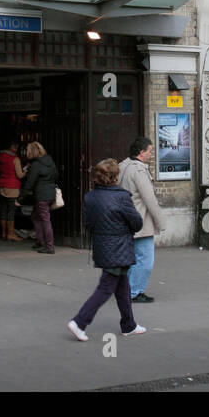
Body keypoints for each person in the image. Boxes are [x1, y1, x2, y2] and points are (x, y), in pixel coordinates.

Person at [68, 159, 146, 341]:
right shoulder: (122, 197)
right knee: (106, 288)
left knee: (122, 285)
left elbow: (88, 223)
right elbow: (137, 222)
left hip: (102, 247)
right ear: (115, 176)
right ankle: (79, 321)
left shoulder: (90, 197)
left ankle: (129, 324)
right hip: (119, 248)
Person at [118, 136, 165, 302]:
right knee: (145, 259)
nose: (151, 155)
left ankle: (127, 290)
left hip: (125, 220)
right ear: (141, 152)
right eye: (150, 151)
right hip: (141, 221)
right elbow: (149, 199)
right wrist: (161, 222)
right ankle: (134, 292)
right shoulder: (138, 170)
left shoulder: (122, 166)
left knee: (131, 259)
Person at [20, 141, 58, 254]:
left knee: (45, 219)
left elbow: (30, 183)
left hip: (41, 195)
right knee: (35, 216)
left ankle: (49, 246)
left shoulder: (36, 165)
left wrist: (20, 198)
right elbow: (56, 175)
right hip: (50, 194)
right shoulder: (50, 162)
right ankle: (40, 241)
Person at [0, 136, 23, 241]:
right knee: (11, 210)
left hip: (2, 185)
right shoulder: (15, 159)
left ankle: (3, 233)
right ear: (13, 147)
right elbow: (19, 175)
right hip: (12, 187)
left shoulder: (0, 157)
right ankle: (10, 234)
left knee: (3, 209)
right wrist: (26, 171)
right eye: (16, 147)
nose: (17, 149)